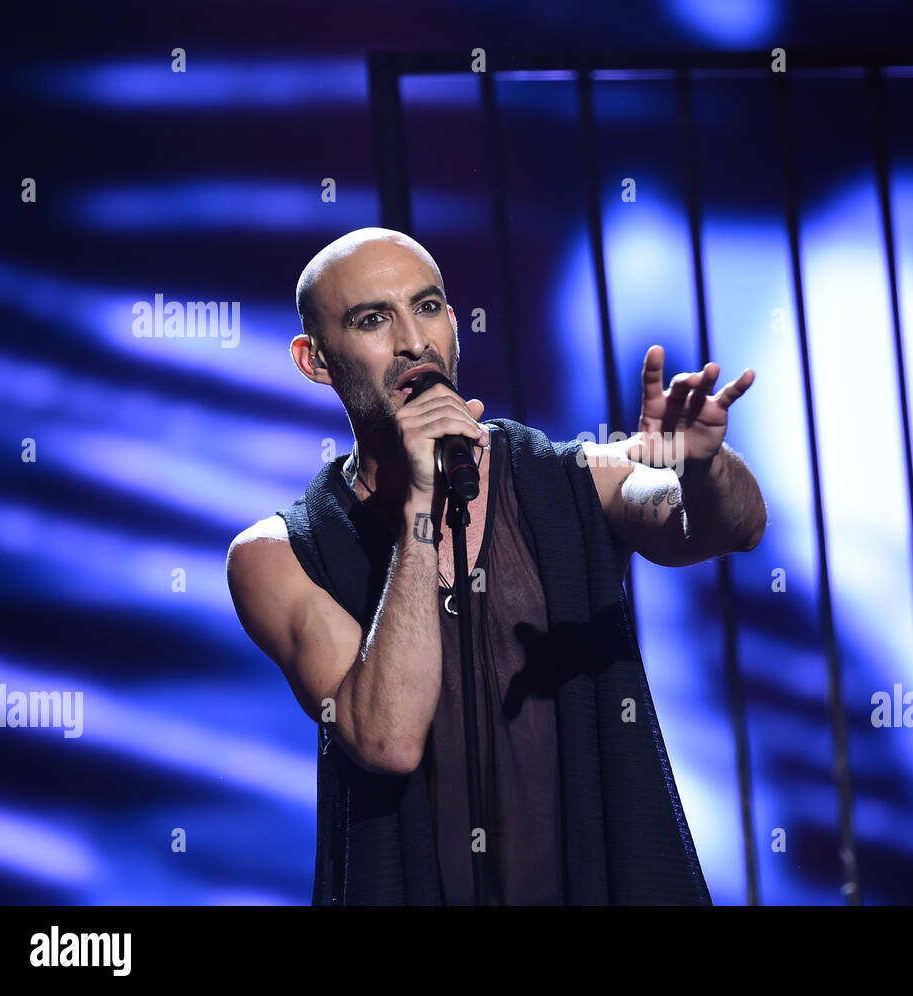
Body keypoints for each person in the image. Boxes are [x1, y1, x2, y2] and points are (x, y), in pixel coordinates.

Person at [226, 227, 766, 905]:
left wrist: (704, 470)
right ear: (315, 360)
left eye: (427, 309)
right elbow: (386, 739)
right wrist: (423, 499)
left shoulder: (568, 478)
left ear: (454, 325)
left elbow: (730, 528)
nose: (412, 342)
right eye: (372, 319)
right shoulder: (278, 556)